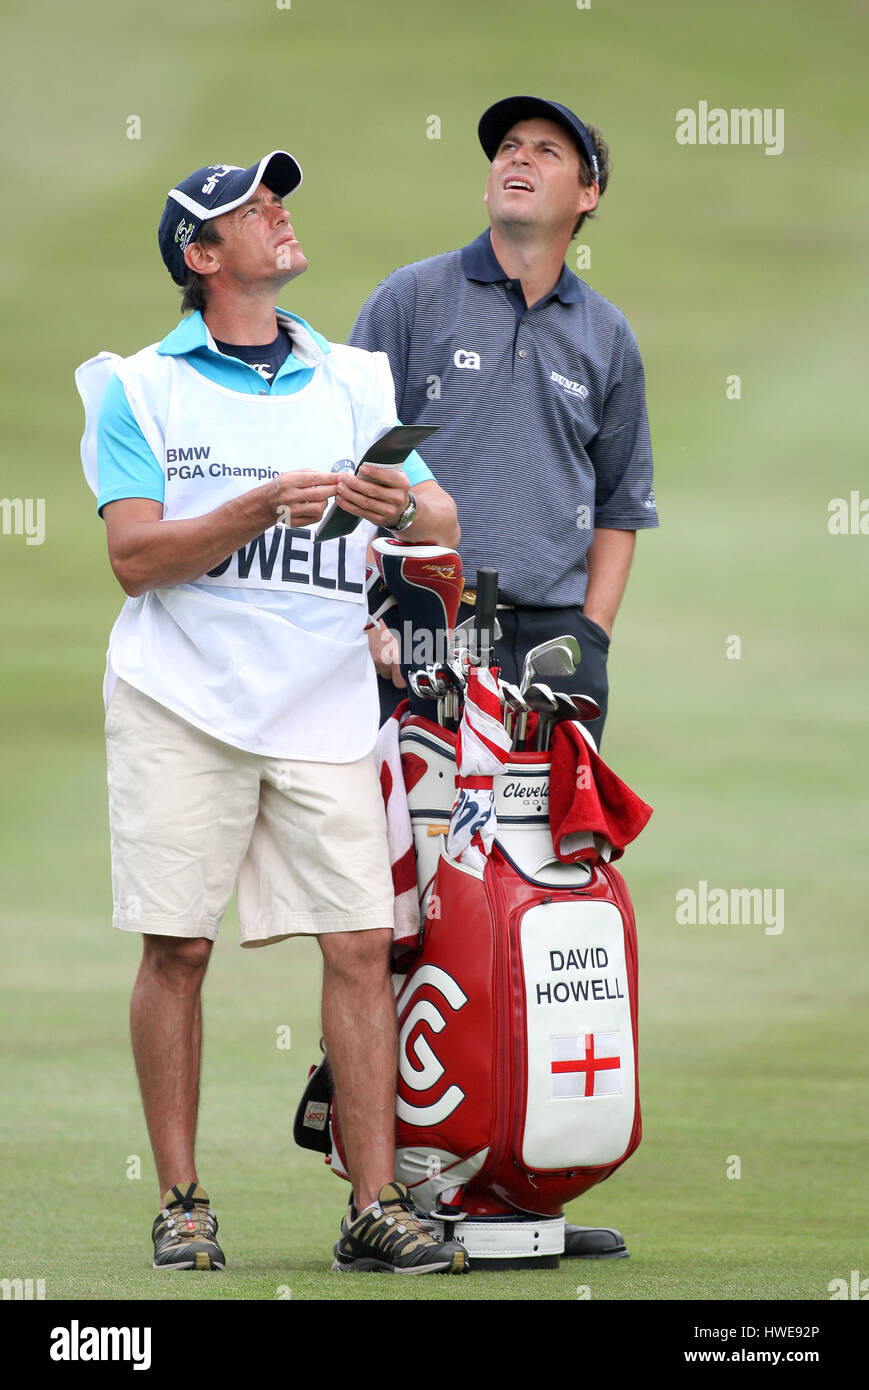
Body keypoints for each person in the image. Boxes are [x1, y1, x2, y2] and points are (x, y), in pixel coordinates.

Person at [81, 149, 467, 1275]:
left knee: (359, 943)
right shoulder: (137, 387)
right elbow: (134, 558)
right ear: (201, 259)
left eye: (276, 199)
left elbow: (436, 522)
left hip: (325, 699)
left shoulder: (352, 376)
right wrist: (254, 506)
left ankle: (371, 1203)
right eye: (249, 211)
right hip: (180, 701)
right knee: (179, 948)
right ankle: (182, 1198)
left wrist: (407, 498)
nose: (278, 215)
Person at [349, 96, 659, 1257]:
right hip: (422, 622)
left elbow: (622, 505)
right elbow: (354, 461)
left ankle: (512, 1179)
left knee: (524, 908)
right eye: (506, 150)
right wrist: (373, 612)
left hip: (543, 643)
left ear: (585, 198)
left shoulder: (605, 335)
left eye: (548, 153)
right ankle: (389, 1191)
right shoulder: (416, 298)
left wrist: (589, 634)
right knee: (411, 911)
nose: (517, 162)